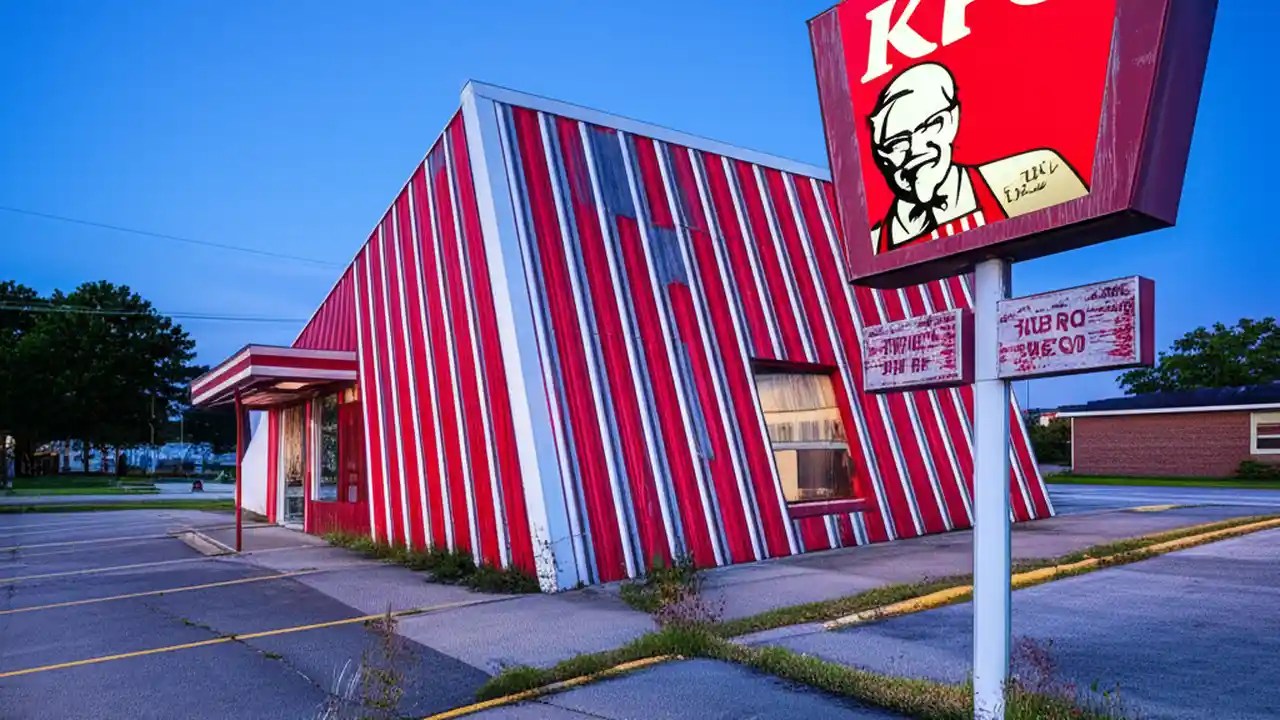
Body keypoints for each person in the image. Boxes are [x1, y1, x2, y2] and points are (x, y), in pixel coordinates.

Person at [866, 62, 1088, 253]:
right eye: (897, 143)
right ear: (882, 157)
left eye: (931, 125)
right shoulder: (875, 244)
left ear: (953, 120)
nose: (916, 149)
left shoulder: (1036, 176)